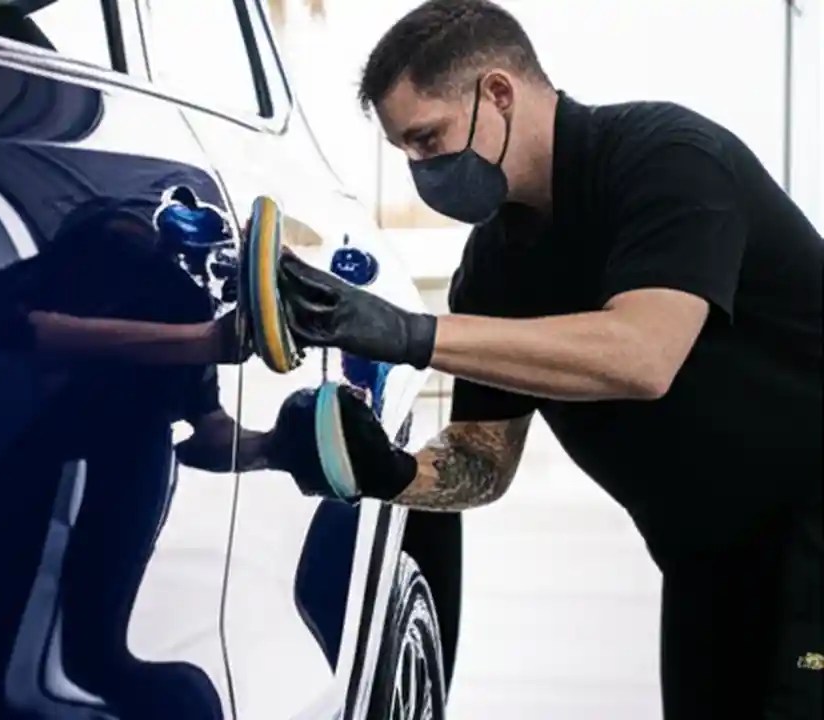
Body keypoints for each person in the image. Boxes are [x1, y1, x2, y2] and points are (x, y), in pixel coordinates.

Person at [246, 1, 822, 718]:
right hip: (707, 565)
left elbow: (643, 355)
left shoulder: (669, 160)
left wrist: (414, 333)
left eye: (429, 140)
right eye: (406, 152)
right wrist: (389, 473)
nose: (423, 170)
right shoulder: (495, 266)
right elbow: (483, 461)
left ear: (497, 92)